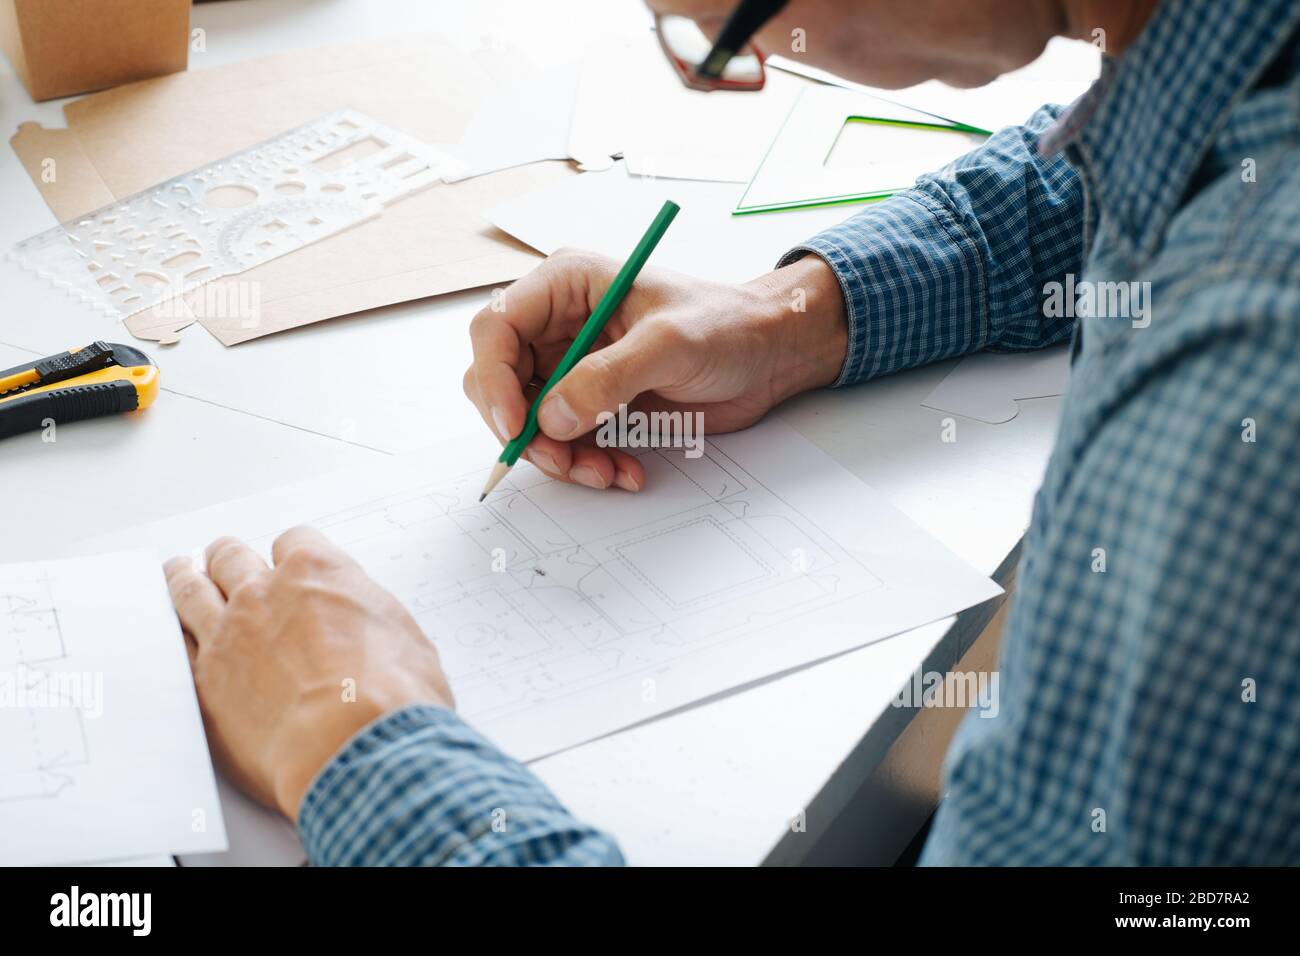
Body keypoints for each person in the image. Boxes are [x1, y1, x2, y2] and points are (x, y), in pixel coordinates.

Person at [164, 0, 1300, 865]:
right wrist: (791, 316)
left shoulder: (1240, 375)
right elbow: (1107, 154)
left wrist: (360, 754)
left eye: (726, 27)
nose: (738, 76)